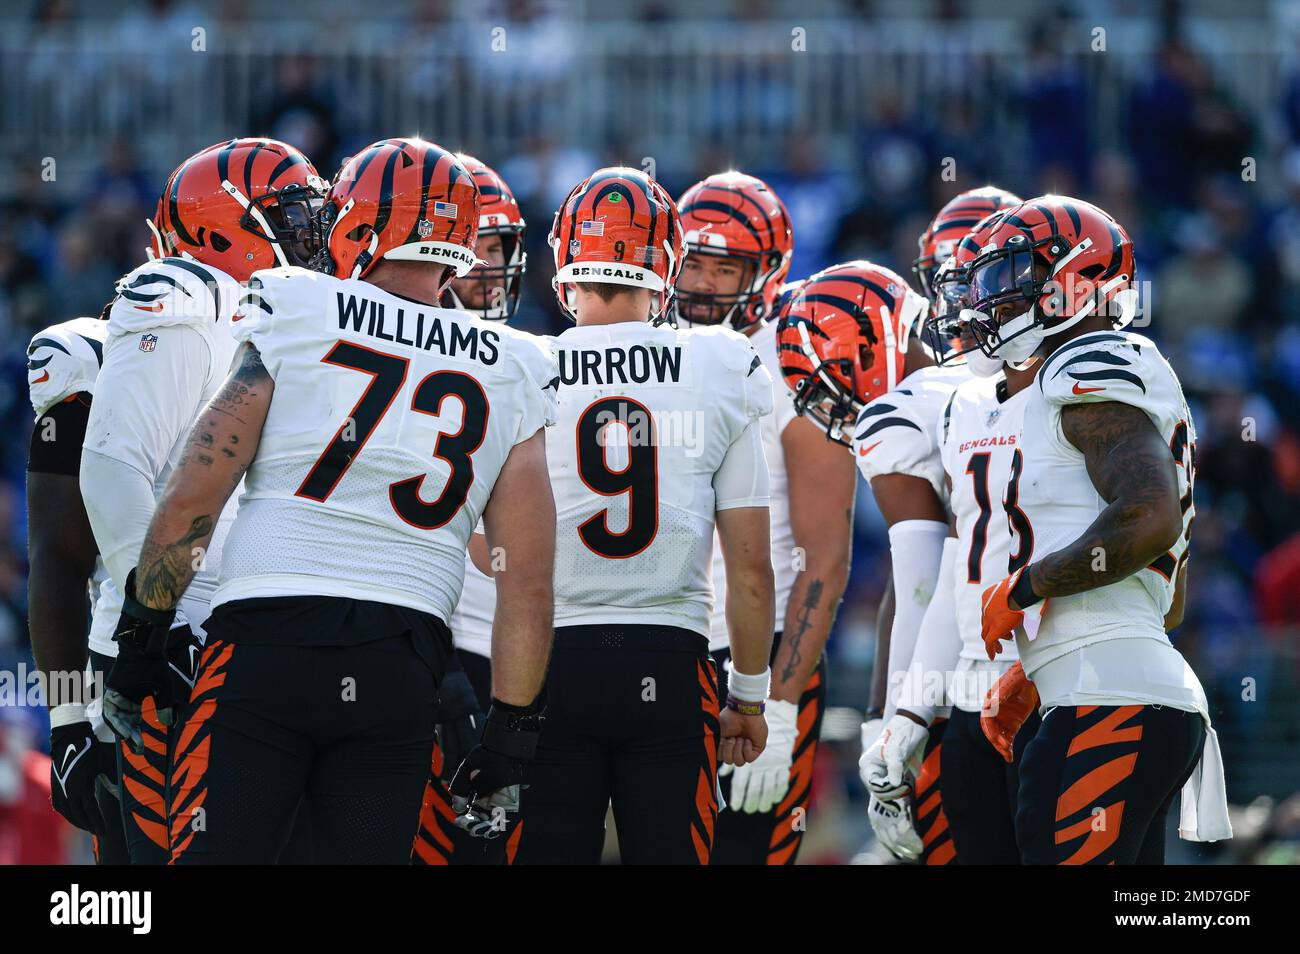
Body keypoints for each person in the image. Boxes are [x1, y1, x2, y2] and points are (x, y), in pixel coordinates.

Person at [115, 137, 559, 864]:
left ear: (358, 222)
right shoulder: (513, 362)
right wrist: (510, 737)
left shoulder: (298, 304)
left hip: (265, 643)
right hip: (401, 663)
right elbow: (529, 578)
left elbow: (197, 488)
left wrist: (141, 635)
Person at [513, 166, 774, 865]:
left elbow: (490, 550)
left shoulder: (523, 363)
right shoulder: (723, 361)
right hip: (669, 656)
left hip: (548, 658)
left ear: (565, 261)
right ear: (666, 263)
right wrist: (748, 699)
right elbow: (750, 570)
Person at [82, 137, 327, 863]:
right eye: (289, 215)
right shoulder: (186, 295)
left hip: (230, 640)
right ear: (224, 225)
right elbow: (110, 466)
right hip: (170, 640)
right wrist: (154, 625)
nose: (310, 232)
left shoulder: (275, 313)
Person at [969, 194, 1231, 863]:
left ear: (1072, 283)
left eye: (1015, 274)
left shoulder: (1083, 363)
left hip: (1108, 702)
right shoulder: (1100, 375)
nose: (997, 299)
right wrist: (1045, 662)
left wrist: (1024, 588)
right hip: (1115, 691)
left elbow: (1147, 516)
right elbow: (1164, 602)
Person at [675, 171, 856, 865]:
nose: (707, 283)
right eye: (694, 261)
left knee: (747, 852)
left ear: (768, 272)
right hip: (666, 638)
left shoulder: (797, 359)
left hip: (764, 651)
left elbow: (825, 557)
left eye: (728, 267)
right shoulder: (654, 350)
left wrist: (777, 704)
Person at [775, 259, 956, 863]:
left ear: (868, 345)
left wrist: (894, 726)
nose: (829, 408)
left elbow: (923, 591)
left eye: (825, 383)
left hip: (980, 685)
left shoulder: (896, 417)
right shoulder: (984, 387)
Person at [413, 153, 530, 866]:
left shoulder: (523, 357)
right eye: (475, 248)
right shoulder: (392, 352)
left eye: (498, 249)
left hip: (501, 653)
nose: (489, 266)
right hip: (424, 639)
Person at [26, 312, 124, 862]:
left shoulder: (288, 322)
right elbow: (60, 559)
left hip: (273, 640)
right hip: (139, 662)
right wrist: (67, 721)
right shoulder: (89, 352)